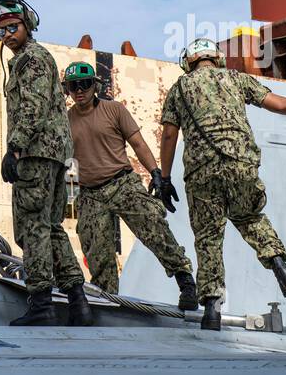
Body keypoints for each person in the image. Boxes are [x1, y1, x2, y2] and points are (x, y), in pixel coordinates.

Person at [160, 37, 286, 330]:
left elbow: (169, 135)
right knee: (250, 217)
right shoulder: (236, 79)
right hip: (241, 165)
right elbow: (277, 104)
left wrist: (165, 178)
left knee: (208, 238)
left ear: (189, 61)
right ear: (215, 58)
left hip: (202, 173)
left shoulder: (179, 89)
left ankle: (212, 309)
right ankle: (279, 266)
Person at [0, 0, 92, 327]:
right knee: (50, 227)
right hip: (53, 155)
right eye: (0, 30)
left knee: (32, 228)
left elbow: (31, 108)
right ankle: (78, 301)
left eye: (12, 27)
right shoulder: (34, 58)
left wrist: (14, 148)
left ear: (27, 24)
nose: (7, 35)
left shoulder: (31, 59)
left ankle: (41, 304)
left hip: (35, 153)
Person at [63, 60, 198, 309]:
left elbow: (137, 143)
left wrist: (157, 174)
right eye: (73, 86)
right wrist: (65, 197)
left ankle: (186, 282)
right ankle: (104, 301)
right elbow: (64, 161)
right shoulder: (64, 121)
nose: (79, 90)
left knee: (154, 227)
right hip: (90, 194)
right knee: (97, 253)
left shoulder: (114, 110)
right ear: (67, 90)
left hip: (122, 183)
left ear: (95, 86)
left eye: (84, 84)